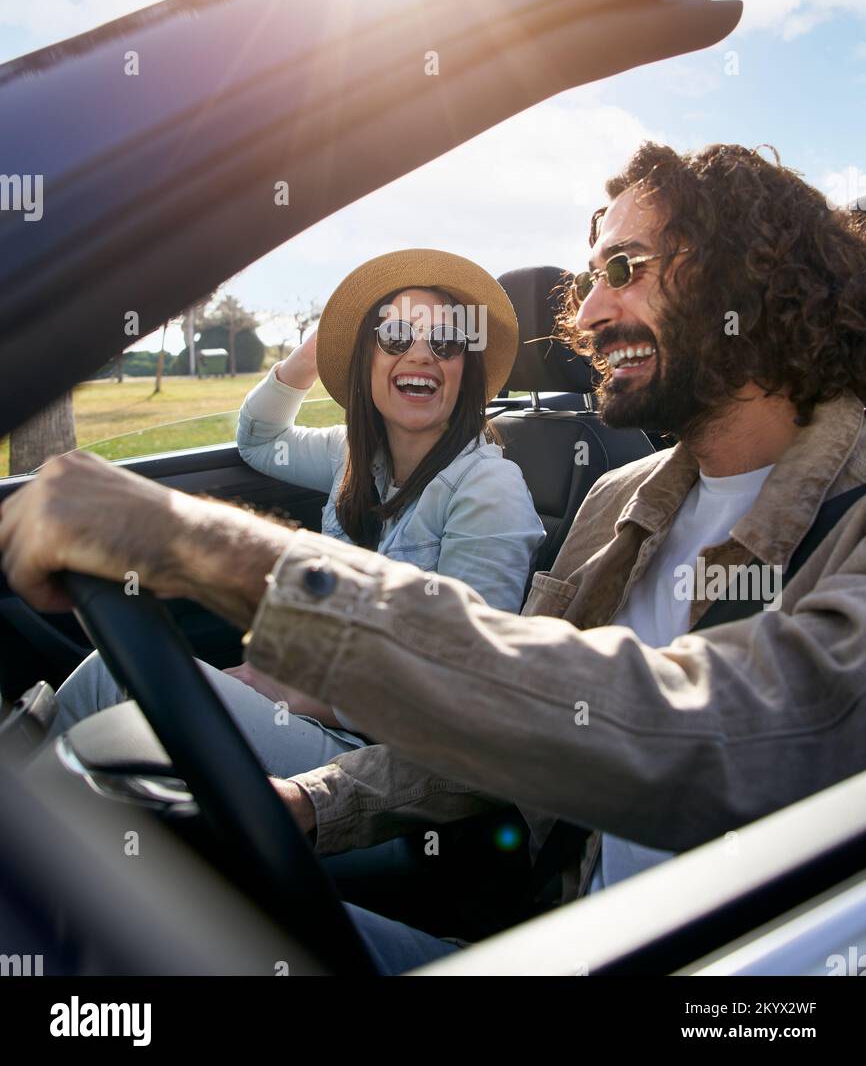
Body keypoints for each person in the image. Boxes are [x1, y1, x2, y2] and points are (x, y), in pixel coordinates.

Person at [3, 143, 865, 976]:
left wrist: (206, 549)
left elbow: (715, 730)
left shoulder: (849, 519)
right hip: (552, 929)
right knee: (141, 903)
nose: (589, 314)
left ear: (750, 277)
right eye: (590, 276)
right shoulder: (621, 501)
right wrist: (316, 802)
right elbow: (520, 719)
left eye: (624, 268)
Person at [44, 249, 545, 778]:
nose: (421, 354)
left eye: (445, 342)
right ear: (365, 360)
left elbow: (461, 680)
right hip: (309, 708)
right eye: (395, 337)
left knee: (112, 676)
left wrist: (292, 693)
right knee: (113, 677)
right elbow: (260, 438)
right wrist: (322, 344)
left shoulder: (488, 486)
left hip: (375, 762)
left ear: (464, 371)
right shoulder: (351, 455)